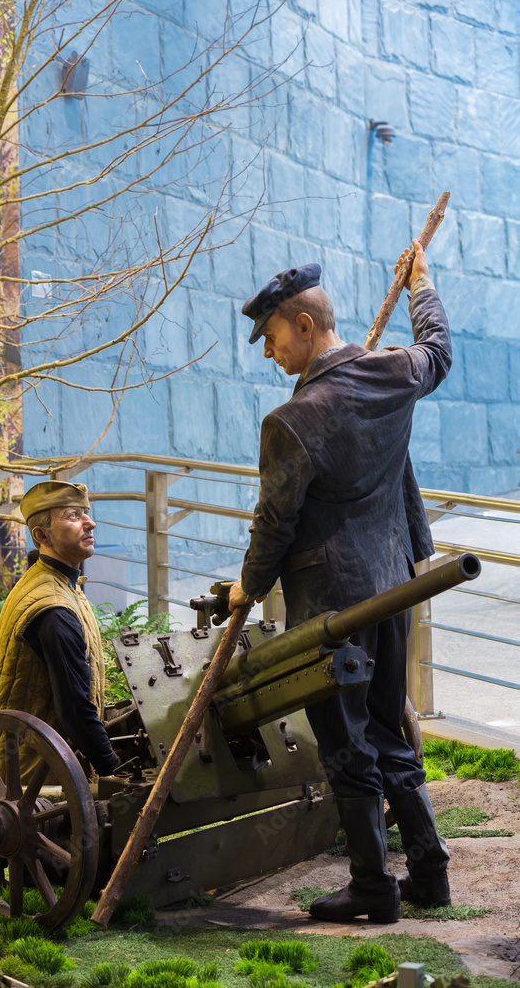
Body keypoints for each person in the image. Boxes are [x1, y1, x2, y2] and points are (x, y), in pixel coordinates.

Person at [228, 240, 451, 923]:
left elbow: (275, 521)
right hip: (392, 585)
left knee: (348, 746)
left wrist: (245, 587)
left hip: (331, 610)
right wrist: (420, 284)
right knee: (391, 732)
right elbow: (438, 351)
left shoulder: (290, 421)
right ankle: (430, 873)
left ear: (303, 325)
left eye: (271, 339)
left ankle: (372, 888)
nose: (269, 353)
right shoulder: (392, 373)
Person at [0, 480, 121, 783]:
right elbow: (75, 712)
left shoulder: (57, 583)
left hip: (21, 754)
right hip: (24, 770)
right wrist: (115, 771)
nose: (90, 523)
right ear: (41, 535)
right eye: (73, 515)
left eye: (86, 513)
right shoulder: (52, 608)